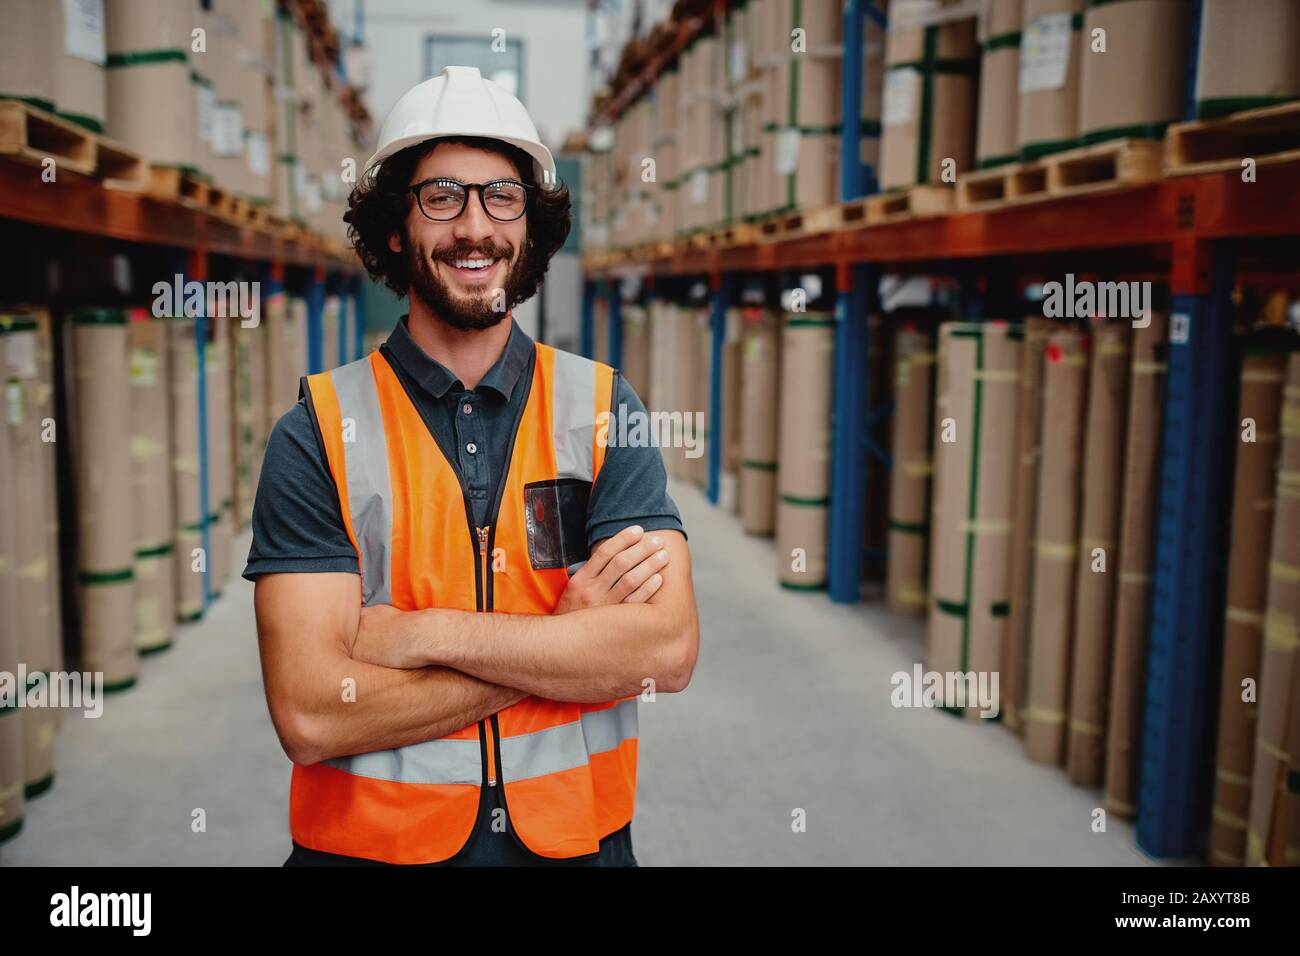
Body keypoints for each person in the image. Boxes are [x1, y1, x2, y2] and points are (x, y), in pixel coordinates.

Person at [244, 66, 699, 867]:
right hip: (371, 854)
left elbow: (663, 653)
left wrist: (425, 634)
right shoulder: (317, 431)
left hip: (575, 848)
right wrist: (566, 647)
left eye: (501, 198)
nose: (474, 227)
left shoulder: (602, 408)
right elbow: (314, 715)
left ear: (531, 229)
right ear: (395, 228)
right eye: (441, 197)